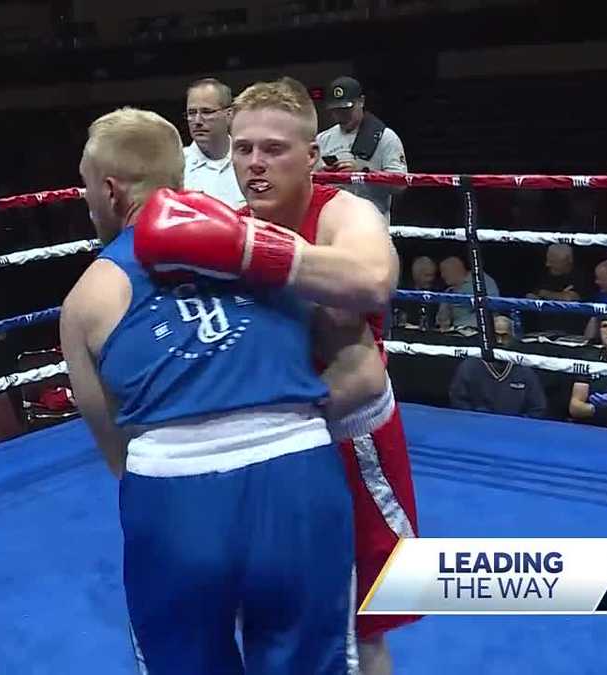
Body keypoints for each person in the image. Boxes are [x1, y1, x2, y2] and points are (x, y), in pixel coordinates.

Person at [62, 107, 387, 674]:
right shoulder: (267, 249)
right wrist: (281, 415)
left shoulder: (88, 296)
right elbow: (364, 370)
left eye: (87, 189)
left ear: (110, 192)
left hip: (174, 494)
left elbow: (118, 449)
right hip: (299, 480)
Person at [229, 76, 419, 675]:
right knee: (271, 613)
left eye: (274, 149)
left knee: (363, 625)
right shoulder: (228, 224)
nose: (255, 164)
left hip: (347, 440)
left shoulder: (344, 213)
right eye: (243, 148)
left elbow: (373, 279)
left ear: (312, 156)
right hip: (267, 442)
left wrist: (254, 254)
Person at [314, 76, 408, 222]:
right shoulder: (322, 139)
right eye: (337, 111)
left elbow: (401, 184)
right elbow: (309, 182)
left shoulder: (385, 138)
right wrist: (322, 175)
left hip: (372, 223)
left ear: (361, 102)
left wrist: (363, 173)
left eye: (347, 110)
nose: (341, 116)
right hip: (333, 222)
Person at [449, 316, 546, 418]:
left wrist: (517, 424)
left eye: (505, 336)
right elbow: (458, 401)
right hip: (477, 424)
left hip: (513, 426)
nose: (499, 341)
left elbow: (537, 408)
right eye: (495, 336)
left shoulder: (525, 371)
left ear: (513, 338)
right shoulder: (469, 367)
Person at [182, 77, 245, 209]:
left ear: (229, 115)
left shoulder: (248, 161)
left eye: (206, 112)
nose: (197, 121)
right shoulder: (176, 167)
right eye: (191, 113)